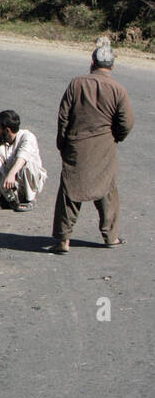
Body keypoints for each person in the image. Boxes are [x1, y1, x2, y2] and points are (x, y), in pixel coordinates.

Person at [51, 38, 135, 254]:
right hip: (104, 147)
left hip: (76, 146)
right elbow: (126, 123)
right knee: (106, 189)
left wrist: (63, 144)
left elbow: (63, 117)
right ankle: (111, 236)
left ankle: (63, 240)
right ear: (112, 66)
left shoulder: (76, 84)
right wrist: (115, 137)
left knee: (69, 192)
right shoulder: (118, 90)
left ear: (92, 62)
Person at [0, 110, 46, 212]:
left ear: (7, 130)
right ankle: (7, 199)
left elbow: (23, 157)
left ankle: (29, 199)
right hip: (8, 184)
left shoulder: (27, 137)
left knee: (27, 164)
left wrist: (12, 173)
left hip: (23, 180)